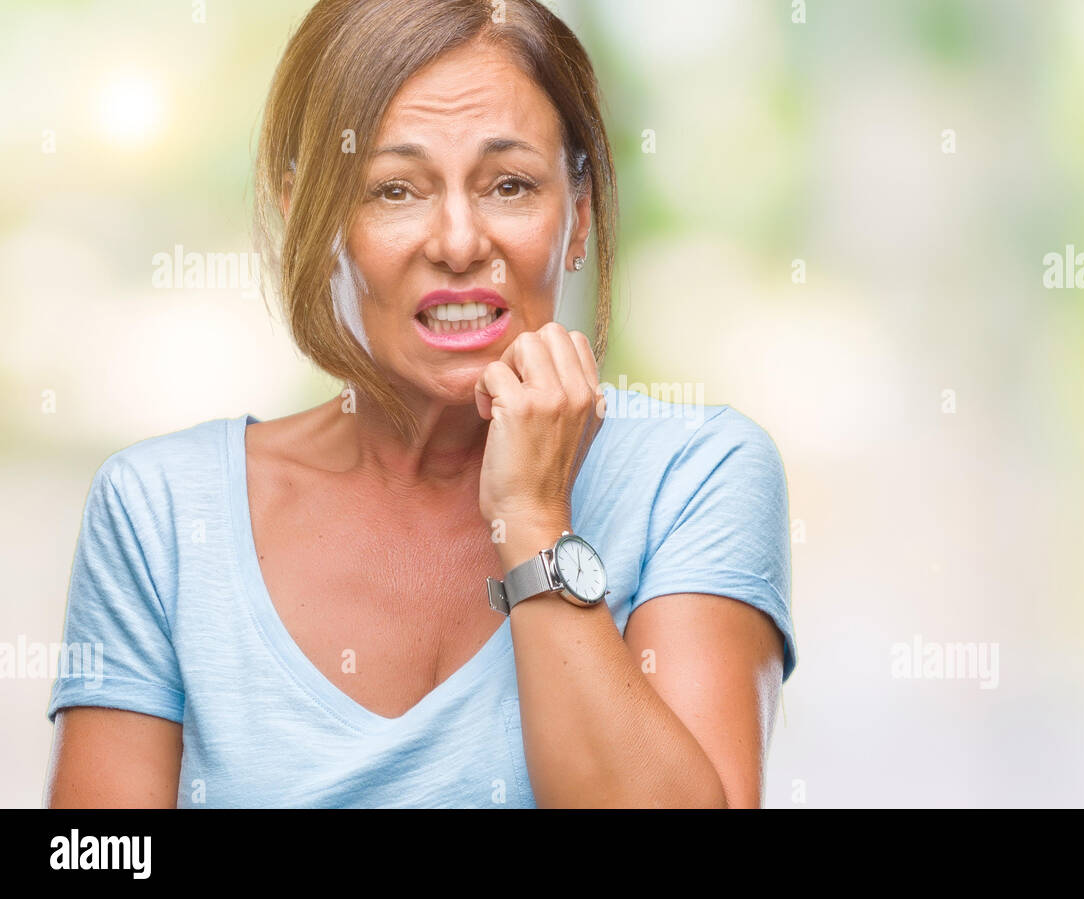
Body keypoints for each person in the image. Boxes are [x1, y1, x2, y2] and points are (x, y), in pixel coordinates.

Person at [44, 0, 797, 808]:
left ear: (578, 214)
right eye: (395, 189)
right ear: (309, 216)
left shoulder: (698, 475)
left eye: (510, 184)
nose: (460, 242)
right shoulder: (159, 512)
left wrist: (534, 521)